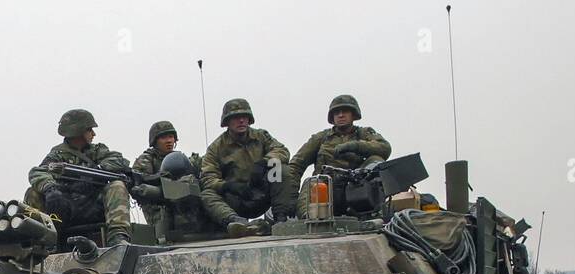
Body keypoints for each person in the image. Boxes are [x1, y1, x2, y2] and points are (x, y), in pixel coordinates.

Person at [26, 109, 132, 244]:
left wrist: (95, 172)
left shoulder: (96, 151)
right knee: (33, 192)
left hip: (92, 204)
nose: (94, 134)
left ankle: (118, 236)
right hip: (66, 207)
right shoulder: (57, 155)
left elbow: (119, 160)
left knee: (117, 185)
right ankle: (40, 241)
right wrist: (51, 189)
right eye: (90, 130)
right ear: (79, 131)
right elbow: (37, 172)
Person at [200, 98, 295, 236]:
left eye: (244, 117)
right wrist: (228, 186)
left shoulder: (261, 136)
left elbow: (282, 151)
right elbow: (207, 177)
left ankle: (280, 219)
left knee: (282, 170)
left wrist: (264, 162)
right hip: (236, 199)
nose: (241, 121)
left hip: (262, 193)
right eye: (236, 118)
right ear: (227, 121)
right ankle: (237, 223)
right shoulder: (216, 147)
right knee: (207, 194)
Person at [289, 94, 391, 217]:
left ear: (353, 114)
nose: (340, 115)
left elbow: (384, 148)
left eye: (345, 111)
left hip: (356, 190)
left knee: (376, 160)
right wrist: (290, 198)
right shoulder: (321, 138)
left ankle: (374, 212)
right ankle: (308, 217)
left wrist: (355, 146)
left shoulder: (364, 134)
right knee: (312, 183)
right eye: (336, 112)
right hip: (325, 190)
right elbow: (296, 165)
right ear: (332, 117)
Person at [132, 121, 205, 231]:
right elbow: (139, 182)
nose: (169, 141)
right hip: (159, 209)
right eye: (164, 138)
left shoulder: (178, 158)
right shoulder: (147, 159)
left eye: (171, 137)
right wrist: (159, 178)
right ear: (155, 141)